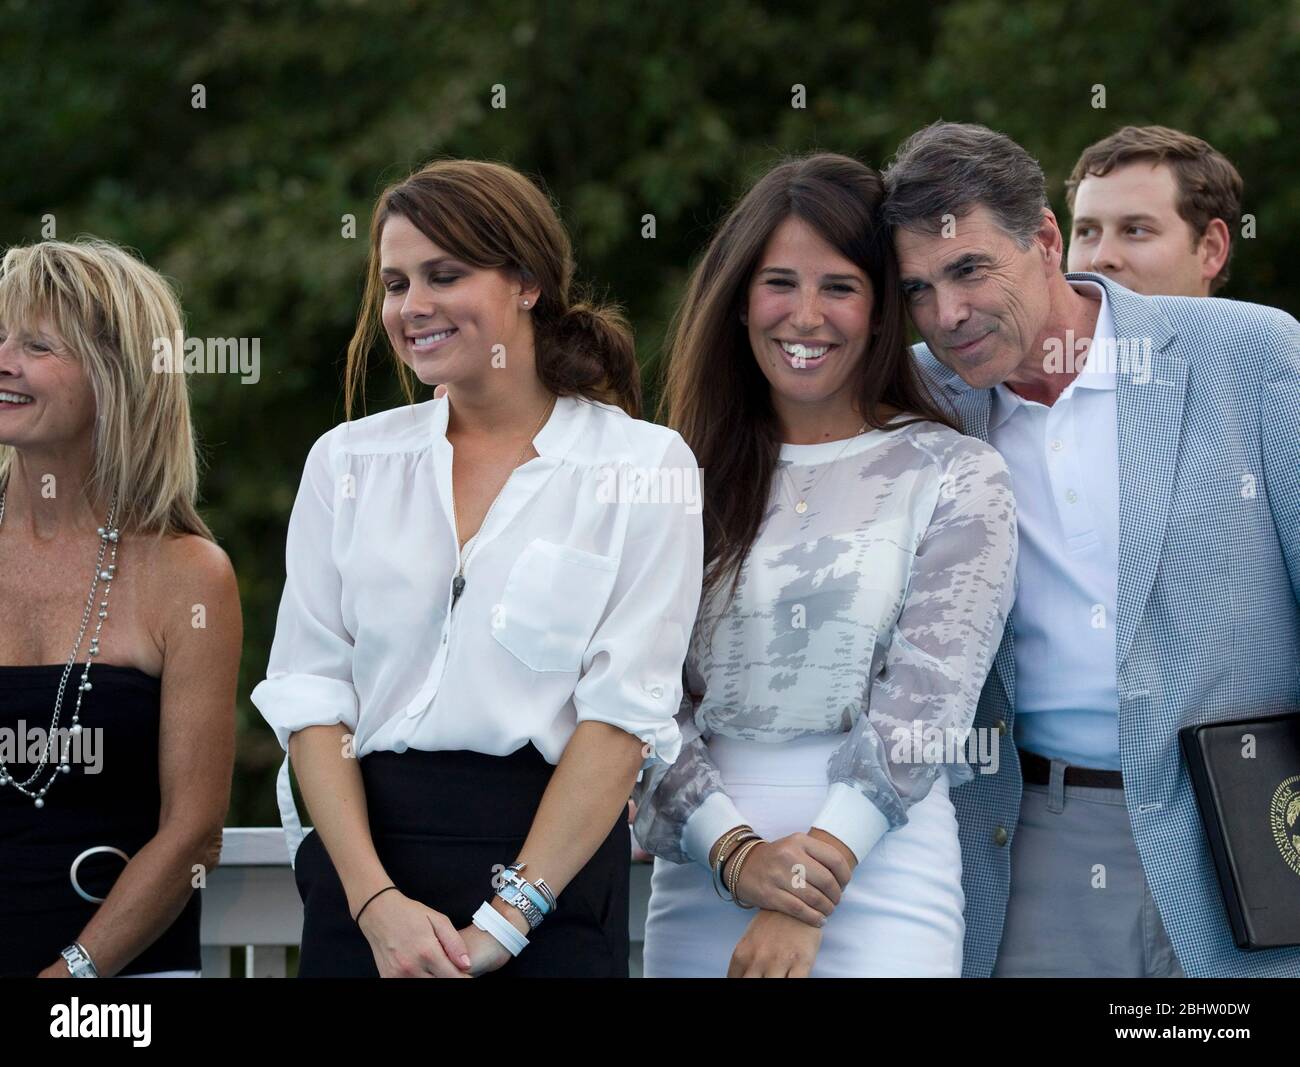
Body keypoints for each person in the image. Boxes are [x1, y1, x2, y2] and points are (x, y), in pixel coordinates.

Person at [251, 158, 703, 978]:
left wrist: (504, 924)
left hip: (551, 886)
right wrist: (372, 903)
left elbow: (622, 718)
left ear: (527, 282)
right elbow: (313, 701)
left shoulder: (646, 464)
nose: (411, 305)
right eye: (395, 282)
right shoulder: (345, 461)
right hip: (367, 885)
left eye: (444, 274)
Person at [883, 120, 1300, 978]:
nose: (947, 313)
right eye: (918, 289)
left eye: (968, 269)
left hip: (1253, 825)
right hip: (1037, 834)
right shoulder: (918, 399)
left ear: (1044, 239)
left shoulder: (1252, 355)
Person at [633, 153, 1016, 977]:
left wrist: (807, 882)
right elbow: (638, 697)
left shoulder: (954, 472)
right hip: (705, 874)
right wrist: (735, 855)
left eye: (839, 286)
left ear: (880, 311)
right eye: (780, 283)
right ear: (739, 302)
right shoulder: (674, 475)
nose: (806, 316)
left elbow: (927, 705)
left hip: (884, 874)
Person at [0, 238, 238, 977]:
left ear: (118, 376)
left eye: (35, 344)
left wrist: (70, 977)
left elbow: (194, 832)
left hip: (122, 983)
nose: (3, 358)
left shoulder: (188, 573)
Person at [1065, 125, 1242, 297]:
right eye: (1086, 232)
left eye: (1135, 230)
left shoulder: (1264, 326)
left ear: (1211, 249)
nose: (1101, 259)